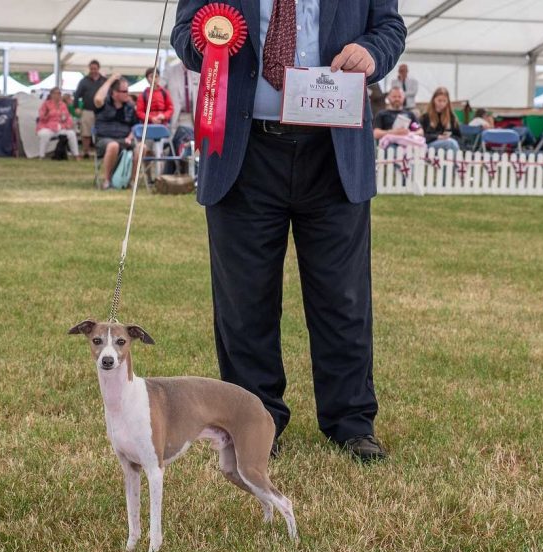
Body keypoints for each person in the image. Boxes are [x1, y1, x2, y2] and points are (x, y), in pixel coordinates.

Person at [173, 0, 406, 462]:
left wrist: (371, 52)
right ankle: (253, 421)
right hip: (243, 150)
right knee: (245, 300)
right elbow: (185, 31)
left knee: (343, 297)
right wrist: (207, 42)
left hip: (333, 149)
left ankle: (351, 422)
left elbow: (389, 27)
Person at [92, 74, 144, 189]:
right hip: (104, 140)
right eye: (124, 91)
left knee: (142, 147)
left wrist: (131, 136)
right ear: (114, 93)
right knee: (113, 145)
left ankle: (132, 181)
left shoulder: (130, 107)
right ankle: (107, 181)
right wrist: (110, 80)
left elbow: (135, 126)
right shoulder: (104, 104)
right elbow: (97, 99)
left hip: (125, 139)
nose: (127, 94)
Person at [36, 85, 79, 158]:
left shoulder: (63, 105)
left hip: (60, 127)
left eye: (60, 93)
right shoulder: (46, 104)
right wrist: (48, 114)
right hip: (47, 127)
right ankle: (41, 155)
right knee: (44, 135)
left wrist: (68, 125)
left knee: (71, 133)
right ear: (52, 94)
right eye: (57, 93)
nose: (59, 95)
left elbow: (68, 117)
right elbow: (41, 117)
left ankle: (76, 155)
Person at [73, 60, 105, 155]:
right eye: (91, 69)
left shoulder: (104, 81)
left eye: (95, 69)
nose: (93, 70)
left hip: (102, 111)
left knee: (102, 133)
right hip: (87, 110)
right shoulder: (84, 81)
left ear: (98, 69)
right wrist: (76, 107)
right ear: (89, 69)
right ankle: (85, 152)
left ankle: (101, 152)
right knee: (85, 133)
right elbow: (77, 95)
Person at [420, 87, 461, 151]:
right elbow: (422, 135)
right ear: (434, 100)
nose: (441, 104)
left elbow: (458, 136)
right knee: (451, 144)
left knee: (451, 143)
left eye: (444, 101)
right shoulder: (425, 116)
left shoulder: (452, 117)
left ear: (447, 102)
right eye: (439, 100)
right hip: (430, 144)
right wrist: (437, 137)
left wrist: (448, 137)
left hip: (448, 144)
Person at [162, 59, 198, 130]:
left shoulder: (198, 70)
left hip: (193, 117)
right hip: (176, 117)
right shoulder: (170, 70)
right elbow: (159, 87)